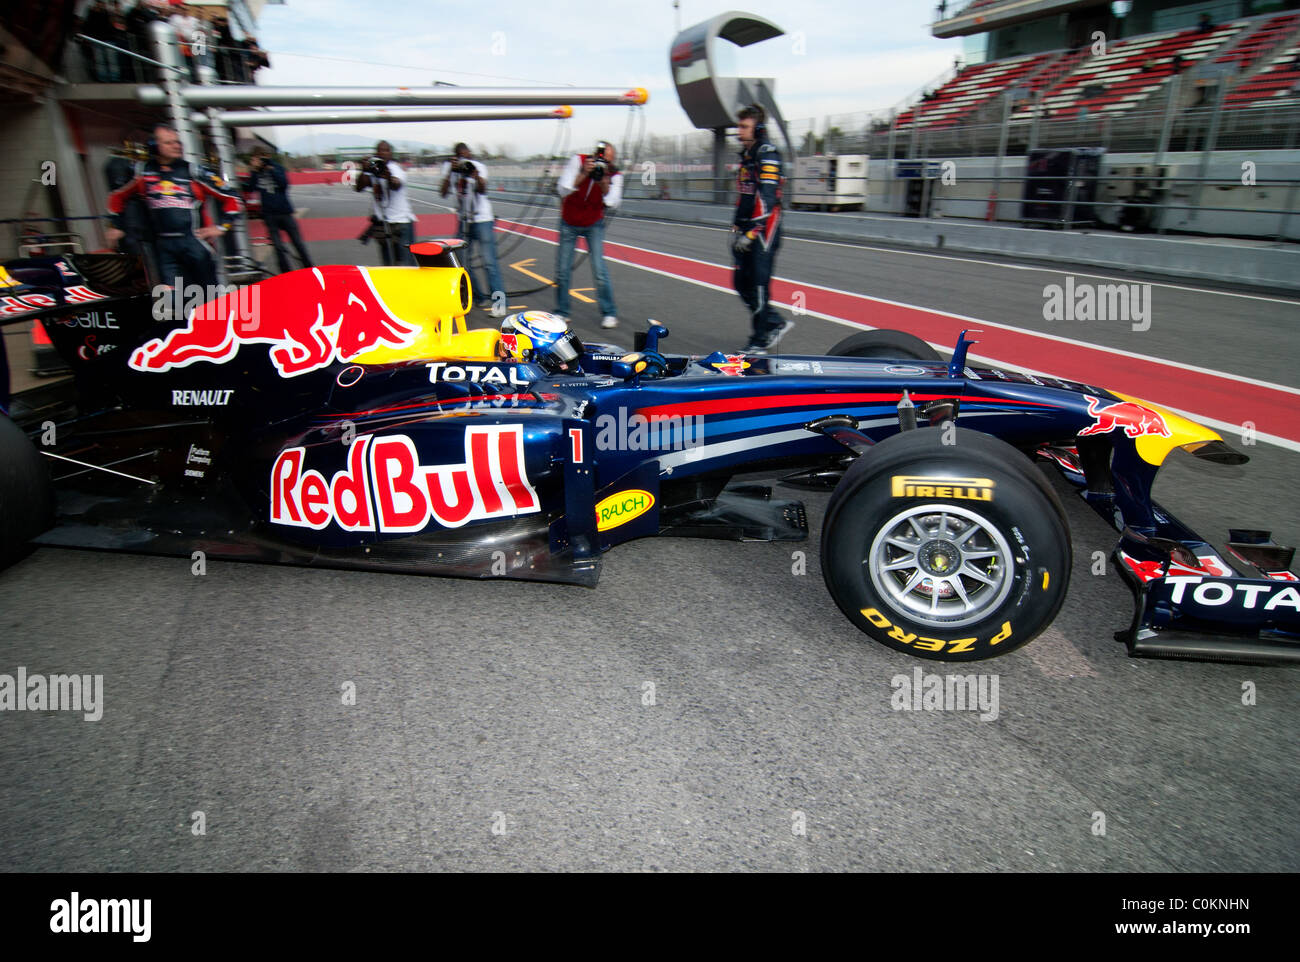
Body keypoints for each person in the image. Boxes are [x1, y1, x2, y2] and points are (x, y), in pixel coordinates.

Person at [105, 124, 241, 292]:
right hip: (163, 246)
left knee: (208, 295)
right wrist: (116, 225)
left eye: (177, 142)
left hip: (195, 242)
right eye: (169, 143)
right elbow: (117, 196)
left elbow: (232, 198)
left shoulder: (193, 171)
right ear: (155, 145)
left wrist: (221, 227)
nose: (176, 146)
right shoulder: (142, 171)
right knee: (174, 299)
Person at [731, 104, 792, 354]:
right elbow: (745, 194)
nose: (739, 131)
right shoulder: (747, 156)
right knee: (740, 282)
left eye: (744, 126)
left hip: (765, 231)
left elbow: (766, 197)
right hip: (746, 229)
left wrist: (752, 231)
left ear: (758, 128)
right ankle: (774, 321)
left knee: (757, 284)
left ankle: (759, 340)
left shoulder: (767, 154)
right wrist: (738, 223)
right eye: (739, 125)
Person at [555, 140, 623, 329]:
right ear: (595, 155)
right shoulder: (578, 161)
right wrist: (584, 173)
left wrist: (603, 182)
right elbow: (562, 189)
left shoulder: (614, 175)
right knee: (562, 269)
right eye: (602, 159)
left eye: (608, 161)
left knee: (599, 270)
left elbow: (612, 202)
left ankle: (609, 313)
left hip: (594, 224)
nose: (604, 164)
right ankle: (562, 311)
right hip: (569, 221)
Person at [439, 143, 504, 312]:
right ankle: (478, 297)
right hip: (464, 220)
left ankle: (499, 305)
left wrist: (475, 176)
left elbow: (483, 190)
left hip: (482, 219)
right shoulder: (451, 170)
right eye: (460, 157)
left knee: (490, 264)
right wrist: (451, 172)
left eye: (465, 156)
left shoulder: (479, 167)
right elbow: (443, 192)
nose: (463, 161)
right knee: (461, 262)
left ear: (470, 155)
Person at [243, 145, 313, 274]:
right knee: (278, 246)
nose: (259, 161)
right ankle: (285, 271)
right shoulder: (256, 173)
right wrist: (253, 171)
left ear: (267, 157)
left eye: (261, 158)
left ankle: (309, 268)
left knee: (297, 242)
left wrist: (270, 169)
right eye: (256, 159)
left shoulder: (277, 168)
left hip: (285, 211)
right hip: (269, 214)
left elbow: (284, 185)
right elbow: (250, 188)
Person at [353, 140, 416, 266]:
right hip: (383, 224)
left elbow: (395, 185)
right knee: (388, 265)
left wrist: (385, 173)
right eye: (380, 150)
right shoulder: (372, 170)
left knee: (406, 265)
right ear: (376, 153)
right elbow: (359, 187)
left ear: (391, 153)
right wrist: (365, 170)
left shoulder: (395, 169)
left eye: (386, 150)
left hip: (401, 222)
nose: (383, 153)